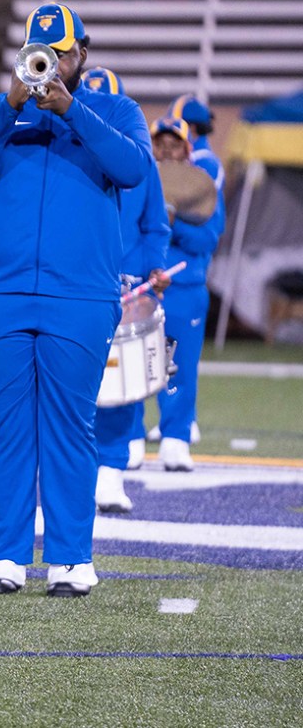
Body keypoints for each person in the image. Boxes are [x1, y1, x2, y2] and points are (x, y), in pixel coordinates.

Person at [0, 3, 154, 597]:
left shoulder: (115, 110)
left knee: (69, 424)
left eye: (62, 53)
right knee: (6, 426)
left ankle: (69, 557)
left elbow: (134, 170)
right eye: (43, 52)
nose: (53, 64)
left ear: (82, 55)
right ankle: (5, 557)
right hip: (0, 291)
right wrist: (12, 104)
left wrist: (72, 110)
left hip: (80, 295)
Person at [80, 67, 170, 512]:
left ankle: (111, 474)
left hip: (127, 289)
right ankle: (74, 474)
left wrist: (153, 269)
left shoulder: (140, 160)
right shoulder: (67, 152)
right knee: (69, 385)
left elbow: (154, 224)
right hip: (76, 283)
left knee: (121, 382)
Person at [148, 113, 225, 472]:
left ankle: (176, 438)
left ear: (186, 148)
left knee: (178, 365)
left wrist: (173, 223)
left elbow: (207, 238)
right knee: (132, 364)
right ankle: (128, 439)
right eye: (159, 144)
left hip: (183, 287)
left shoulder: (201, 187)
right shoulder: (138, 179)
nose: (165, 151)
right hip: (142, 286)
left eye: (173, 144)